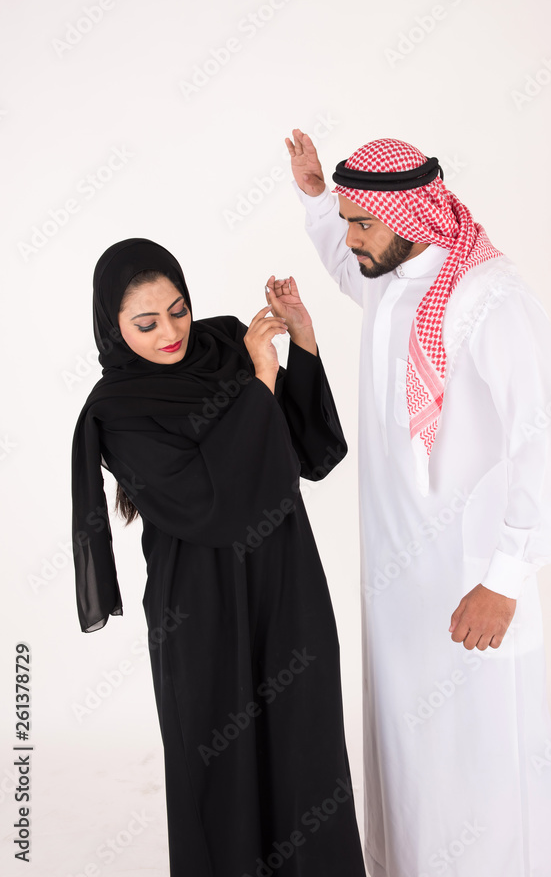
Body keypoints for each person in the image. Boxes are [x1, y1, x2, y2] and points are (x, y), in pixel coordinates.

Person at [286, 130, 551, 877]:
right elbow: (349, 266)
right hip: (397, 588)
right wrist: (319, 200)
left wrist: (505, 578)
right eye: (344, 220)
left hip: (471, 582)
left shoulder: (491, 299)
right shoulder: (389, 273)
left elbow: (541, 443)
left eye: (359, 222)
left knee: (483, 764)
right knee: (410, 770)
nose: (348, 239)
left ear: (411, 214)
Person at [70, 237, 366, 877]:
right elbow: (210, 503)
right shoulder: (116, 410)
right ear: (113, 328)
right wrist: (258, 380)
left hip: (285, 585)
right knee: (220, 768)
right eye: (146, 324)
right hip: (198, 608)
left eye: (178, 310)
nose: (171, 332)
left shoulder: (228, 344)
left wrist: (303, 344)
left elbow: (311, 453)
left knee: (303, 748)